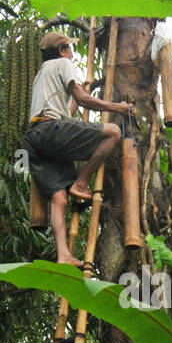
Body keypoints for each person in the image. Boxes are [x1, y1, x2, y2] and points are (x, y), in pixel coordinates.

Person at [23, 31, 131, 267]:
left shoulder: (41, 75)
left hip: (35, 138)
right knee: (112, 132)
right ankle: (81, 183)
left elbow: (66, 113)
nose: (72, 54)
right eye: (70, 49)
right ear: (62, 51)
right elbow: (80, 101)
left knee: (59, 198)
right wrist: (117, 107)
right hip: (51, 131)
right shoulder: (63, 63)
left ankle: (63, 255)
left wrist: (84, 92)